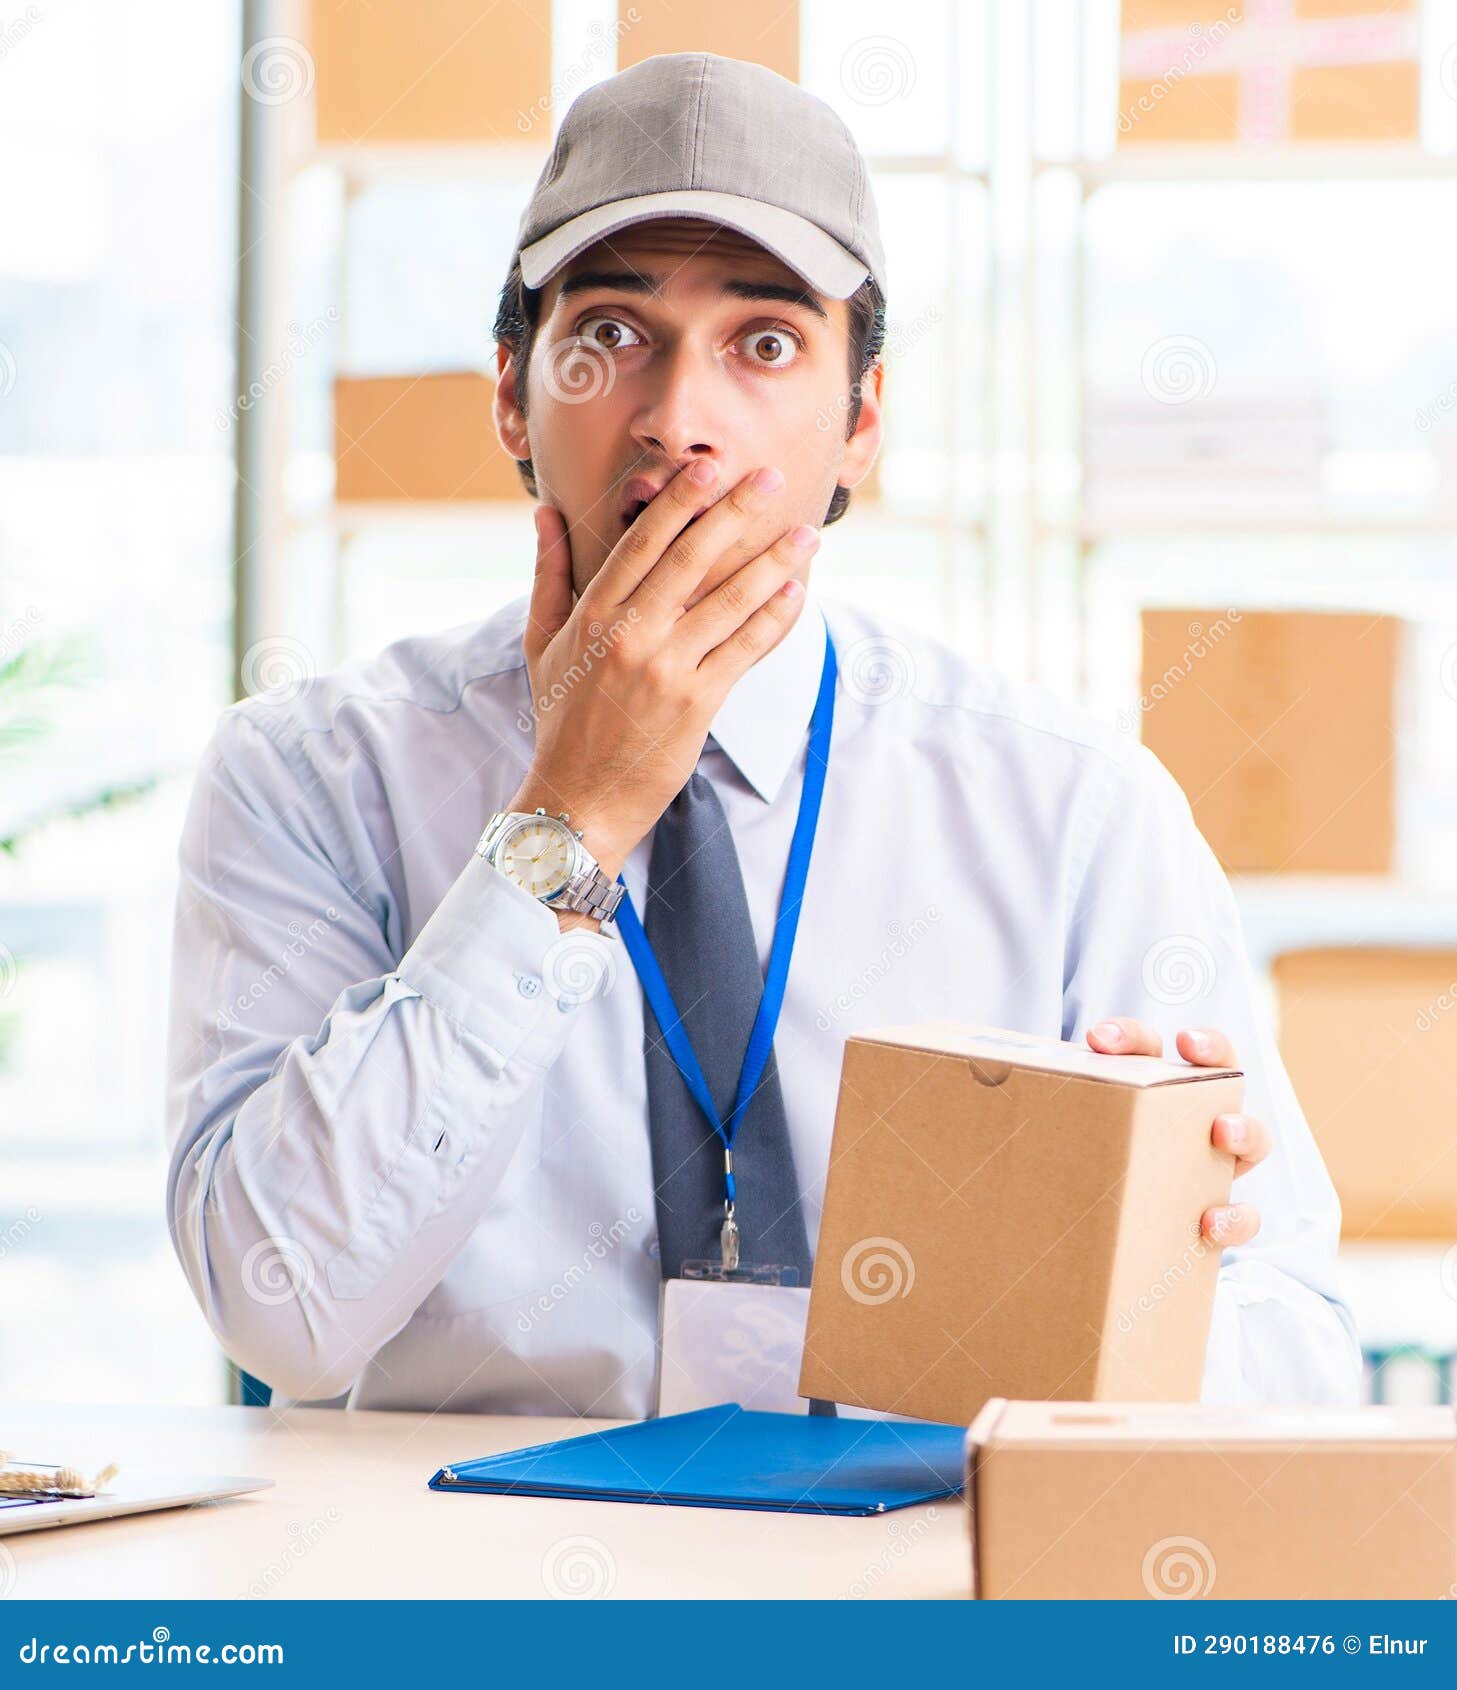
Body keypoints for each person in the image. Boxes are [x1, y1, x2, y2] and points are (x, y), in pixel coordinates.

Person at [165, 52, 1360, 1415]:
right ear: (511, 394)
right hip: (466, 1587)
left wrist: (1121, 1269)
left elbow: (1302, 1356)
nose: (677, 421)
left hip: (910, 1588)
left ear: (859, 424)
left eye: (766, 343)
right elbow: (281, 1315)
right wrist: (566, 822)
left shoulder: (1071, 806)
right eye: (607, 336)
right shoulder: (309, 778)